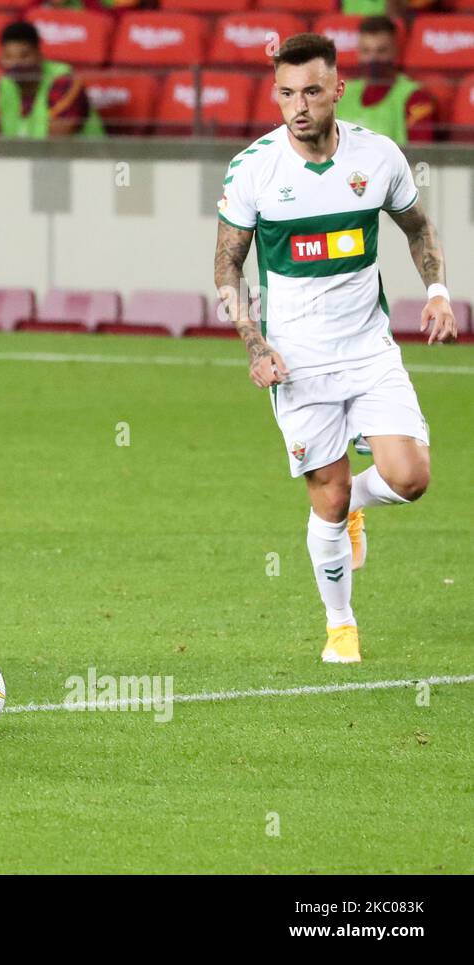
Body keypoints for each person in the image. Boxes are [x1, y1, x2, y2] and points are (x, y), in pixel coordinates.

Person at [214, 34, 458, 664]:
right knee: (328, 494)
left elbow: (417, 227)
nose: (299, 105)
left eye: (312, 91)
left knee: (412, 477)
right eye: (287, 92)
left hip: (369, 349)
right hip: (298, 361)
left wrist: (436, 290)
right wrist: (253, 344)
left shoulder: (378, 157)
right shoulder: (253, 169)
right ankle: (341, 625)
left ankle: (359, 507)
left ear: (337, 90)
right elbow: (226, 268)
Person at [0, 20, 103, 139]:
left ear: (39, 55)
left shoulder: (63, 81)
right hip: (27, 164)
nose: (16, 64)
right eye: (8, 57)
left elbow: (58, 141)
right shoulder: (2, 85)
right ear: (0, 59)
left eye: (24, 56)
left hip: (89, 163)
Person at [337, 16, 437, 146]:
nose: (373, 59)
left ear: (395, 51)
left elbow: (422, 155)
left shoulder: (416, 98)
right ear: (358, 52)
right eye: (366, 51)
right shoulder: (342, 92)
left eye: (381, 51)